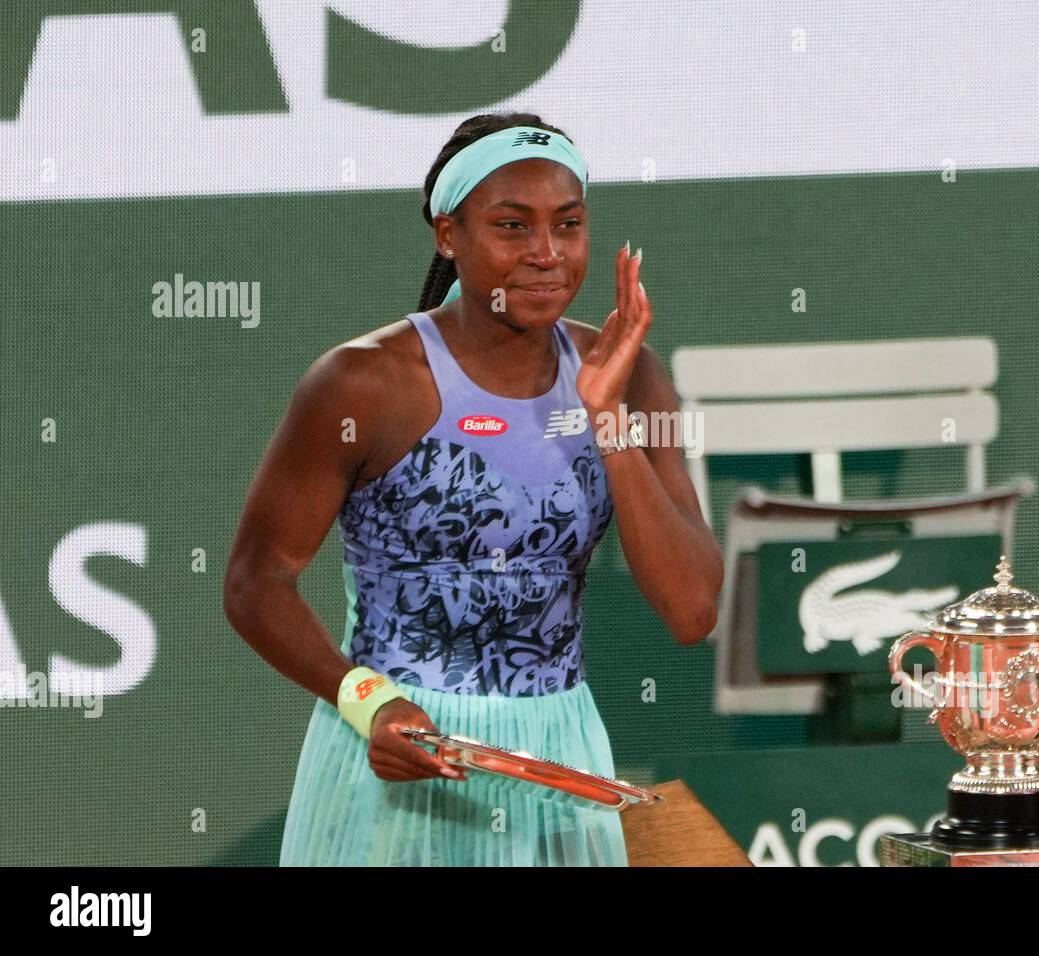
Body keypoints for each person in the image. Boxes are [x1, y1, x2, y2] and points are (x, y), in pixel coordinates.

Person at [222, 112, 724, 866]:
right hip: (399, 752)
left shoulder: (632, 375)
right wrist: (366, 702)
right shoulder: (362, 384)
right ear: (447, 234)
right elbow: (256, 582)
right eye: (512, 226)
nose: (547, 254)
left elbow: (692, 612)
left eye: (570, 224)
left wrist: (608, 419)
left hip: (560, 761)